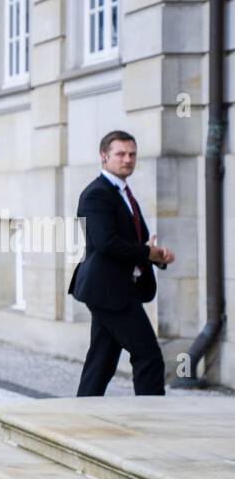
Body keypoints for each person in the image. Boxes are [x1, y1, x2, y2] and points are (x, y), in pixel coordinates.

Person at [70, 131, 174, 395]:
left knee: (102, 360)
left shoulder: (123, 192)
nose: (128, 159)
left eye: (132, 154)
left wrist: (156, 255)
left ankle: (81, 415)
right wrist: (145, 253)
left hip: (117, 288)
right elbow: (106, 243)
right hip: (108, 289)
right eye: (121, 154)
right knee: (148, 355)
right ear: (104, 157)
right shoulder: (96, 194)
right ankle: (150, 421)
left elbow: (136, 242)